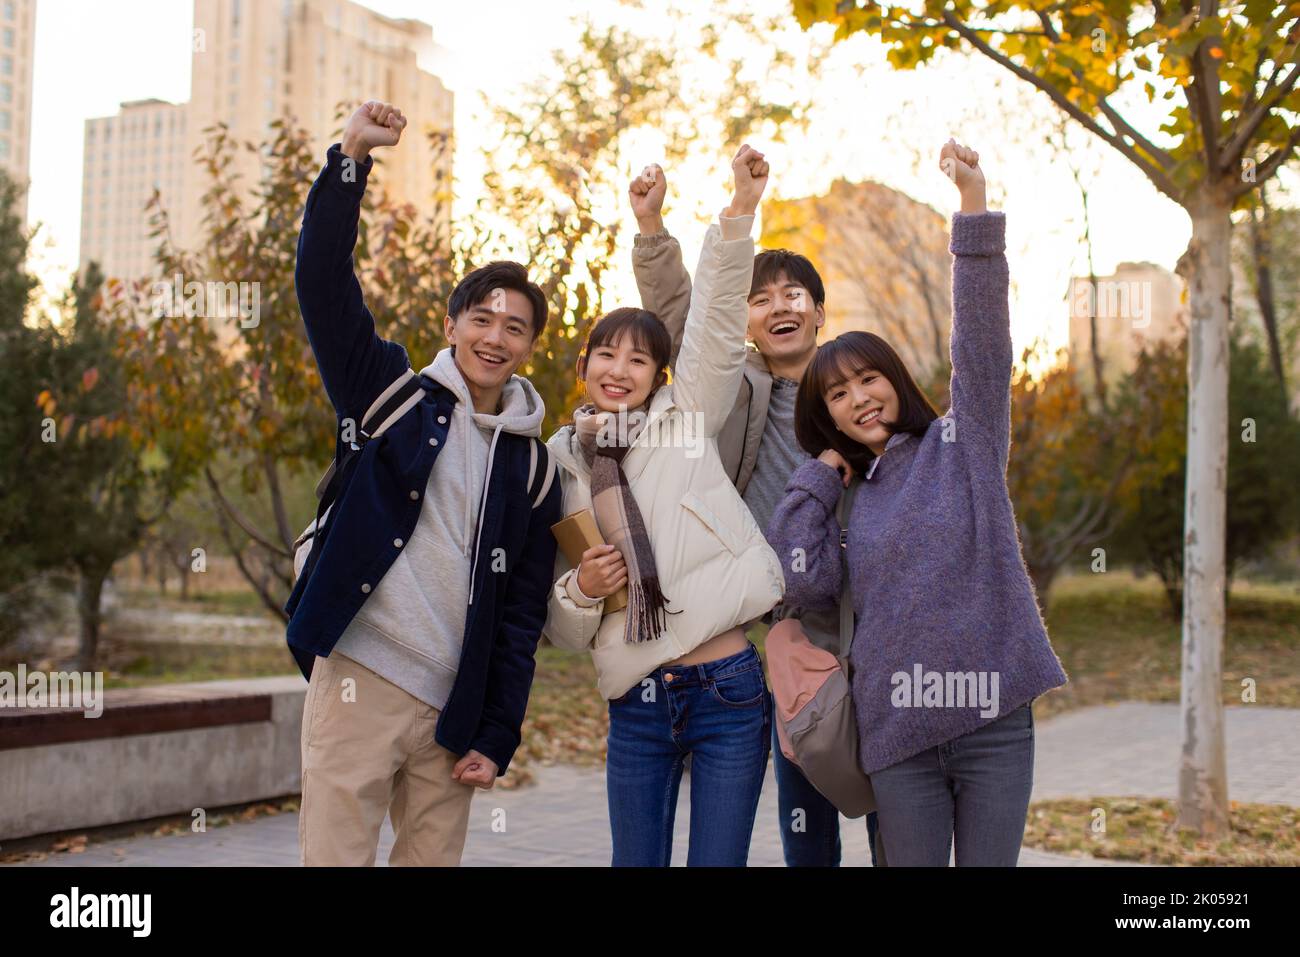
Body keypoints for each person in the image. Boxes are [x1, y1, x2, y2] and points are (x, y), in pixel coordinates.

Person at [769, 140, 1069, 866]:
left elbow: (984, 344)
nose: (857, 399)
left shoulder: (960, 444)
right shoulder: (845, 497)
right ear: (829, 416)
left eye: (867, 379)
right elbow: (802, 580)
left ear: (894, 379)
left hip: (992, 720)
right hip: (897, 735)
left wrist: (972, 207)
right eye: (837, 394)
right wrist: (818, 477)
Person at [286, 100, 563, 866]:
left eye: (515, 327)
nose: (495, 337)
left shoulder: (533, 468)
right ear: (451, 326)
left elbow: (521, 615)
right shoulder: (393, 397)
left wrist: (498, 730)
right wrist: (349, 160)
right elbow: (322, 283)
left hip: (455, 706)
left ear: (530, 345)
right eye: (481, 318)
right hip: (362, 677)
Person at [629, 160, 884, 866]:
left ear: (818, 311)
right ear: (746, 318)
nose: (778, 306)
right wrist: (652, 228)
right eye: (760, 297)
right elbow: (684, 314)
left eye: (793, 293)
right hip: (779, 622)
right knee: (805, 795)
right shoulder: (733, 384)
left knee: (888, 790)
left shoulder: (858, 385)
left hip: (863, 610)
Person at [543, 146, 785, 866]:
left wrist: (738, 213)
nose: (620, 371)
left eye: (639, 359)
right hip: (637, 702)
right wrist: (582, 589)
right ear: (583, 366)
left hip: (730, 692)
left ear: (657, 375)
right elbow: (560, 624)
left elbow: (712, 327)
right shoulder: (560, 463)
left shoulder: (687, 418)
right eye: (605, 356)